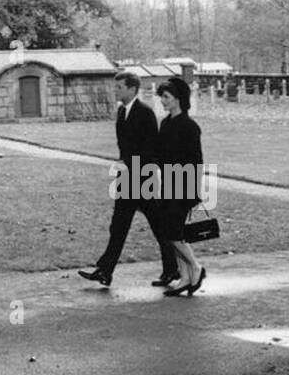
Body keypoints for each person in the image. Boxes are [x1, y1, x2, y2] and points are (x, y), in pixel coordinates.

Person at [79, 72, 178, 288]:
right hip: (127, 177)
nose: (116, 91)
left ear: (132, 89)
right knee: (118, 226)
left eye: (120, 88)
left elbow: (152, 148)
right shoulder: (123, 111)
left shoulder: (145, 112)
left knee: (158, 226)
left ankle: (172, 269)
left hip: (143, 179)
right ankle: (105, 271)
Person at [152, 77, 207, 297]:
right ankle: (185, 277)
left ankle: (195, 267)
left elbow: (197, 161)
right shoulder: (165, 124)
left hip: (183, 186)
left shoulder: (190, 127)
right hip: (168, 184)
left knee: (173, 233)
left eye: (166, 97)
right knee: (170, 232)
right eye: (162, 97)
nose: (162, 101)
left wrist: (195, 192)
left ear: (178, 99)